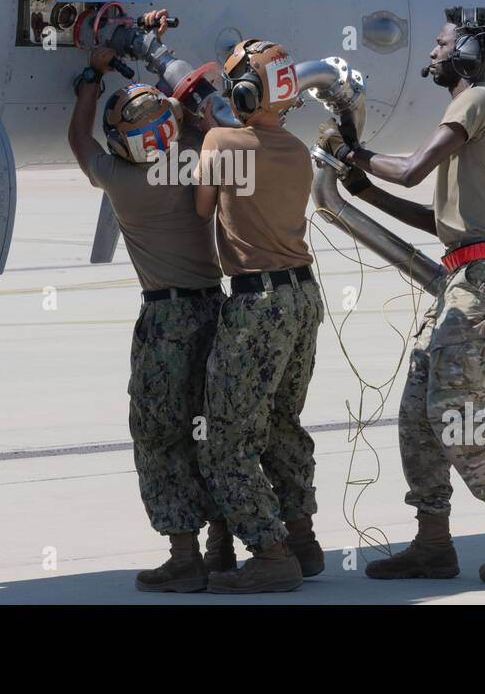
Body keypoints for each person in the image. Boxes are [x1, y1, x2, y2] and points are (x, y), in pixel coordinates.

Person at [322, 6, 485, 585]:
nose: (432, 52)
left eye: (441, 42)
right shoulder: (466, 110)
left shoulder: (478, 102)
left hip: (484, 278)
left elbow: (408, 171)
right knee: (416, 414)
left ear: (471, 49)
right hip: (464, 273)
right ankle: (433, 541)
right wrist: (362, 190)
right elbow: (441, 219)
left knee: (451, 410)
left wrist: (351, 154)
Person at [66, 9, 225, 592]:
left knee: (160, 432)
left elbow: (79, 142)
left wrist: (93, 76)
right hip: (216, 308)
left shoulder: (121, 180)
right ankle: (225, 545)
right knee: (213, 427)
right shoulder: (194, 158)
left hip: (165, 318)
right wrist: (158, 55)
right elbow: (184, 111)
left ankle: (184, 557)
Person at [194, 39, 325, 594]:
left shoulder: (221, 140)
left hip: (257, 304)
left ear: (245, 92)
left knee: (226, 435)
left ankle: (269, 553)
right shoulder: (296, 150)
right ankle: (302, 539)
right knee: (281, 422)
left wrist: (203, 129)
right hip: (302, 296)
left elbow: (203, 207)